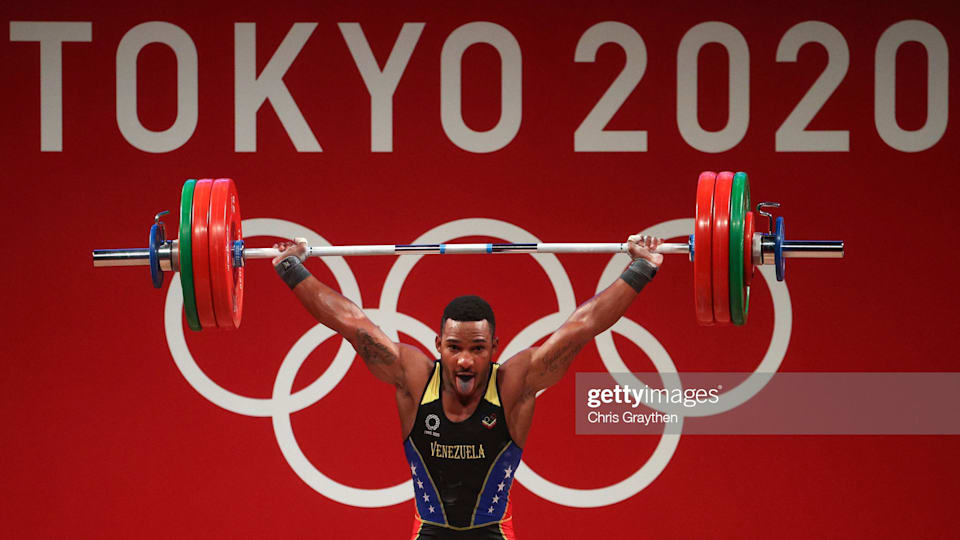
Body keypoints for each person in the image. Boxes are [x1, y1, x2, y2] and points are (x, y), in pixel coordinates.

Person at [272, 234, 664, 539]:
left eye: (477, 349)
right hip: (428, 532)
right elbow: (352, 323)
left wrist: (641, 268)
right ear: (437, 345)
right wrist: (292, 269)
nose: (464, 360)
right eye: (454, 347)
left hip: (493, 534)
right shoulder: (413, 377)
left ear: (494, 348)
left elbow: (582, 327)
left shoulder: (514, 384)